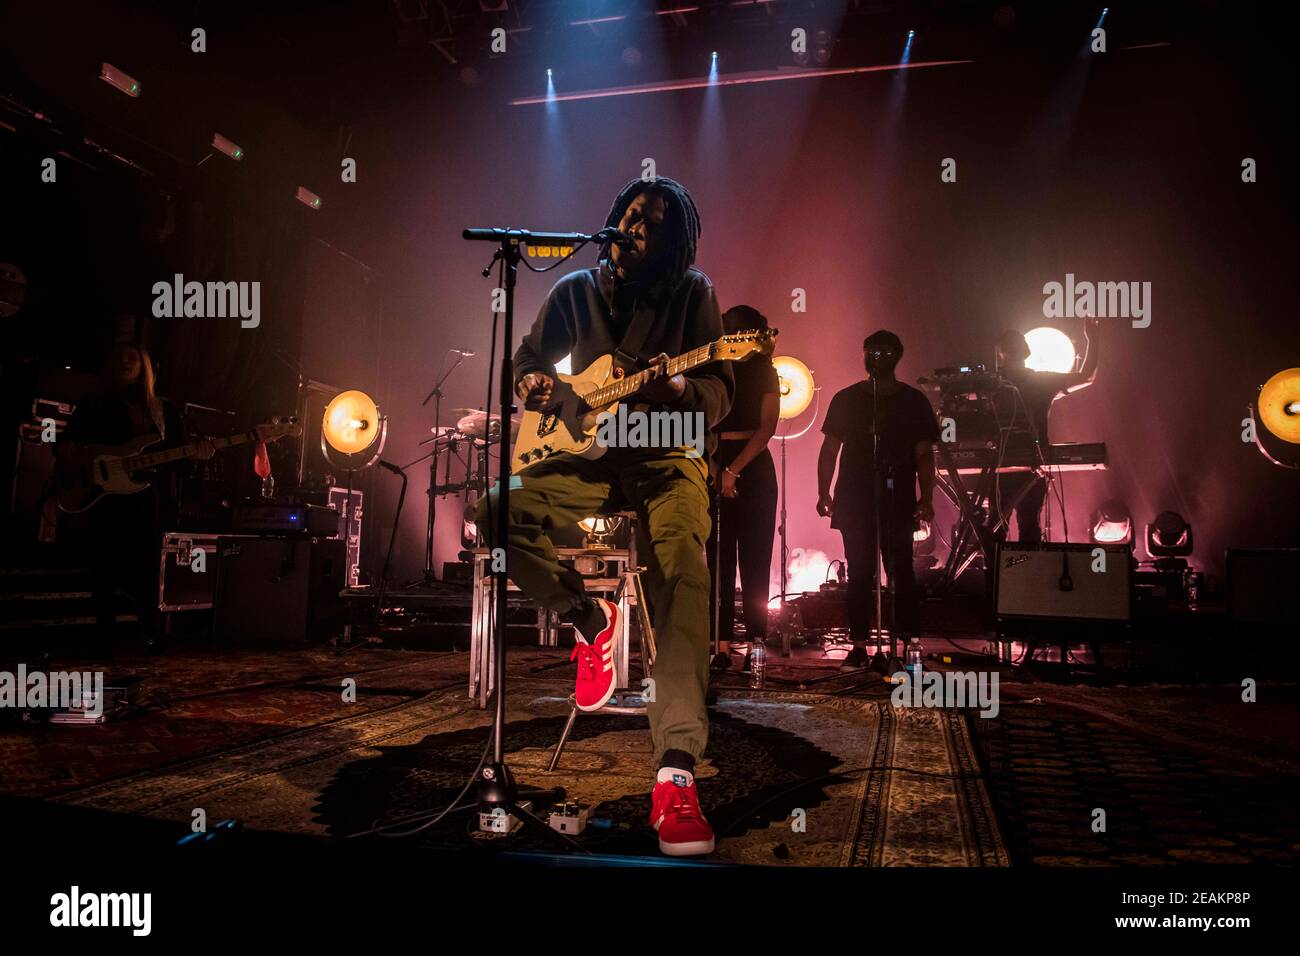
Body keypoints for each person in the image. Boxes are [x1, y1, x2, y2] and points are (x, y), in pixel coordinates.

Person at [478, 176, 732, 856]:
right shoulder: (574, 291)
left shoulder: (694, 294)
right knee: (498, 510)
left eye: (650, 220)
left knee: (681, 568)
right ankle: (589, 622)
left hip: (666, 459)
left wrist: (677, 382)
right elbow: (528, 359)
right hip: (590, 458)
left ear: (672, 240)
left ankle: (675, 774)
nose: (632, 224)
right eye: (627, 211)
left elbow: (719, 396)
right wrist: (535, 383)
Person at [58, 343, 212, 653]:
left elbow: (179, 462)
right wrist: (69, 451)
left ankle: (148, 632)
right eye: (118, 356)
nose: (125, 363)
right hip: (104, 498)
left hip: (147, 500)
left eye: (132, 358)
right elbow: (66, 443)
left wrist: (198, 455)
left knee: (147, 567)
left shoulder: (163, 410)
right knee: (103, 567)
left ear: (144, 366)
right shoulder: (94, 403)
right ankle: (106, 634)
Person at [816, 331, 937, 670]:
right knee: (860, 572)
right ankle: (858, 646)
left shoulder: (914, 401)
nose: (876, 358)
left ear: (897, 356)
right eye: (871, 352)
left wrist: (926, 498)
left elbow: (925, 454)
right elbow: (830, 449)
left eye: (883, 353)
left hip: (897, 495)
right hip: (854, 497)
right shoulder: (846, 399)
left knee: (901, 570)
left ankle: (909, 645)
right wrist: (823, 491)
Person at [706, 305, 780, 675]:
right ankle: (720, 645)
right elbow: (694, 424)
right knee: (718, 558)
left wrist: (731, 470)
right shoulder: (710, 370)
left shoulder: (766, 371)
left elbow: (767, 428)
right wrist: (715, 468)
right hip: (715, 459)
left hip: (752, 462)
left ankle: (756, 641)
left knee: (756, 558)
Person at [992, 317, 1100, 542]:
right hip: (1028, 463)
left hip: (1000, 464)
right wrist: (1093, 339)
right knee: (1028, 526)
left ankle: (996, 574)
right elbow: (1087, 376)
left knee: (996, 526)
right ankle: (1021, 573)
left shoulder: (993, 382)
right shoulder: (1039, 381)